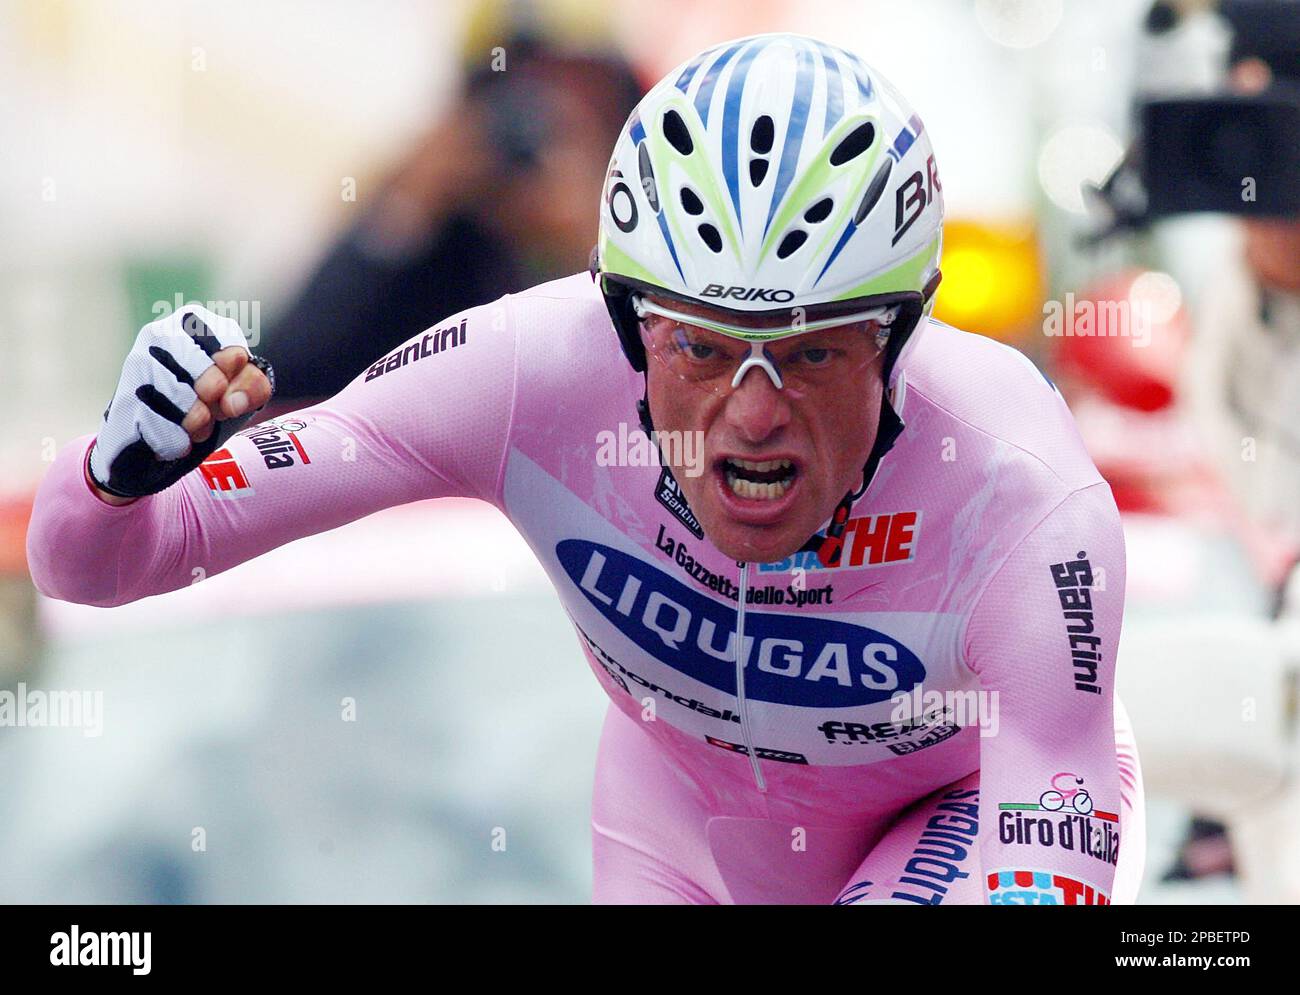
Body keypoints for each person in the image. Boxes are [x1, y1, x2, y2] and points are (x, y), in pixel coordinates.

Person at [27, 32, 1145, 905]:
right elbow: (97, 567)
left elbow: (1053, 809)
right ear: (621, 321)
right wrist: (117, 478)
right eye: (700, 346)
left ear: (899, 338)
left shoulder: (1016, 487)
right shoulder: (521, 371)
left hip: (949, 815)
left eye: (811, 351)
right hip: (677, 834)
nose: (753, 417)